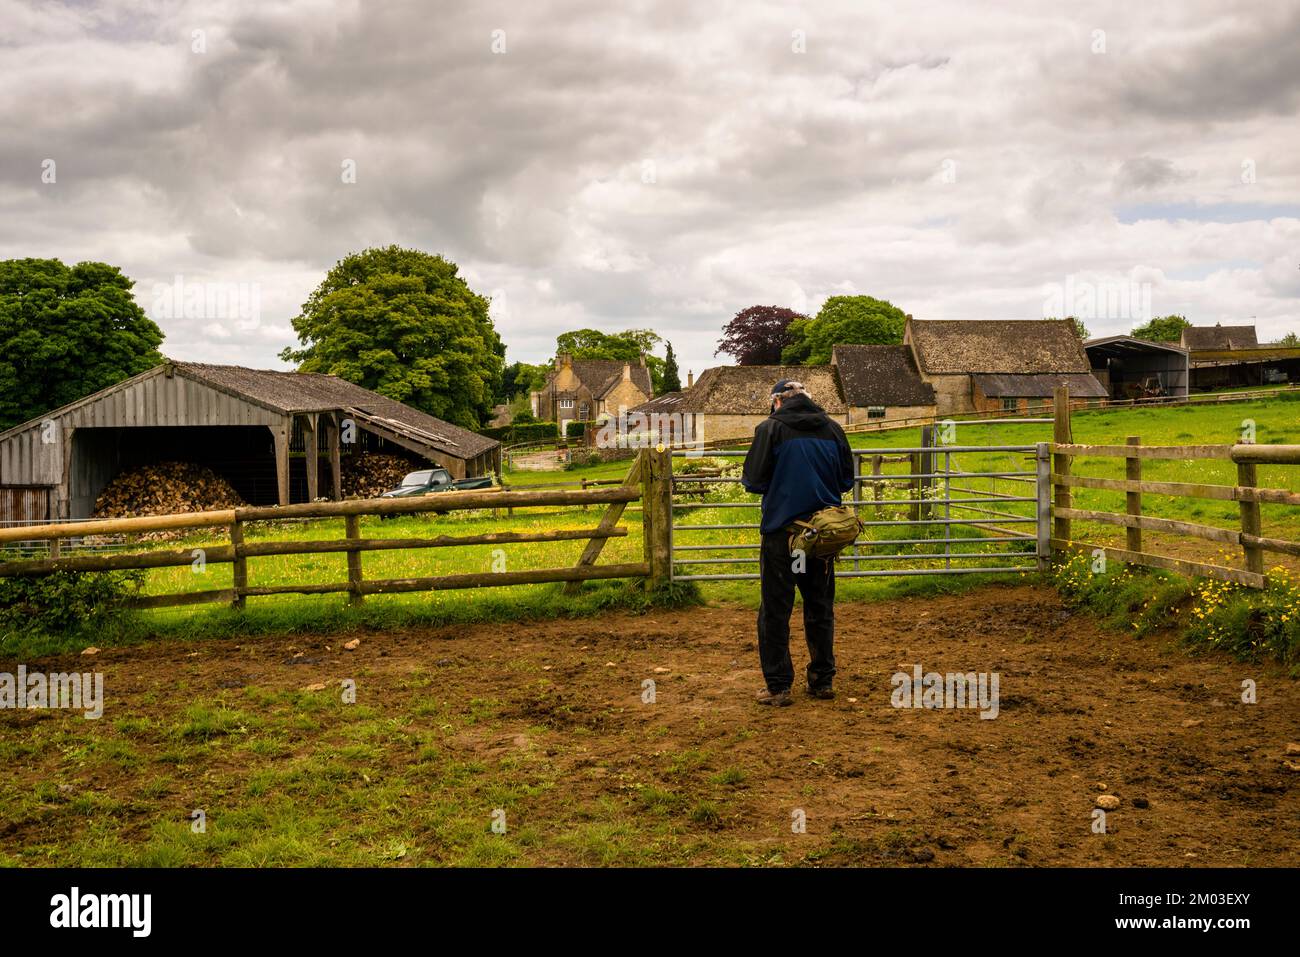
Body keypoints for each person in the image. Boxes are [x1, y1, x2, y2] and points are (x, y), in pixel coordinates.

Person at [740, 380, 855, 706]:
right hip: (820, 536)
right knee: (819, 607)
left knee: (775, 610)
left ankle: (778, 687)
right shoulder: (833, 430)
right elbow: (847, 480)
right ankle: (821, 681)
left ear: (777, 401)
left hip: (784, 536)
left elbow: (754, 480)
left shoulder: (770, 429)